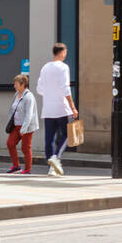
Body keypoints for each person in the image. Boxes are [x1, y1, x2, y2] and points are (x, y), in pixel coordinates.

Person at [36, 43, 77, 176]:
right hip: (62, 107)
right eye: (65, 52)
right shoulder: (64, 67)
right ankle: (56, 157)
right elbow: (66, 88)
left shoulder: (45, 68)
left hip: (48, 108)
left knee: (49, 139)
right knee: (67, 134)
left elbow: (39, 89)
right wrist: (72, 106)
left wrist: (50, 93)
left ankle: (52, 167)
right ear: (62, 53)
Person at [5, 74, 39, 174]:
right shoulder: (16, 95)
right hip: (16, 125)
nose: (14, 86)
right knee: (10, 143)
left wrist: (23, 129)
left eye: (16, 84)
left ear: (23, 84)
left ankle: (27, 169)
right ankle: (16, 166)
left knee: (25, 148)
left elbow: (29, 115)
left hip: (27, 127)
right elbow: (12, 109)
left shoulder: (29, 97)